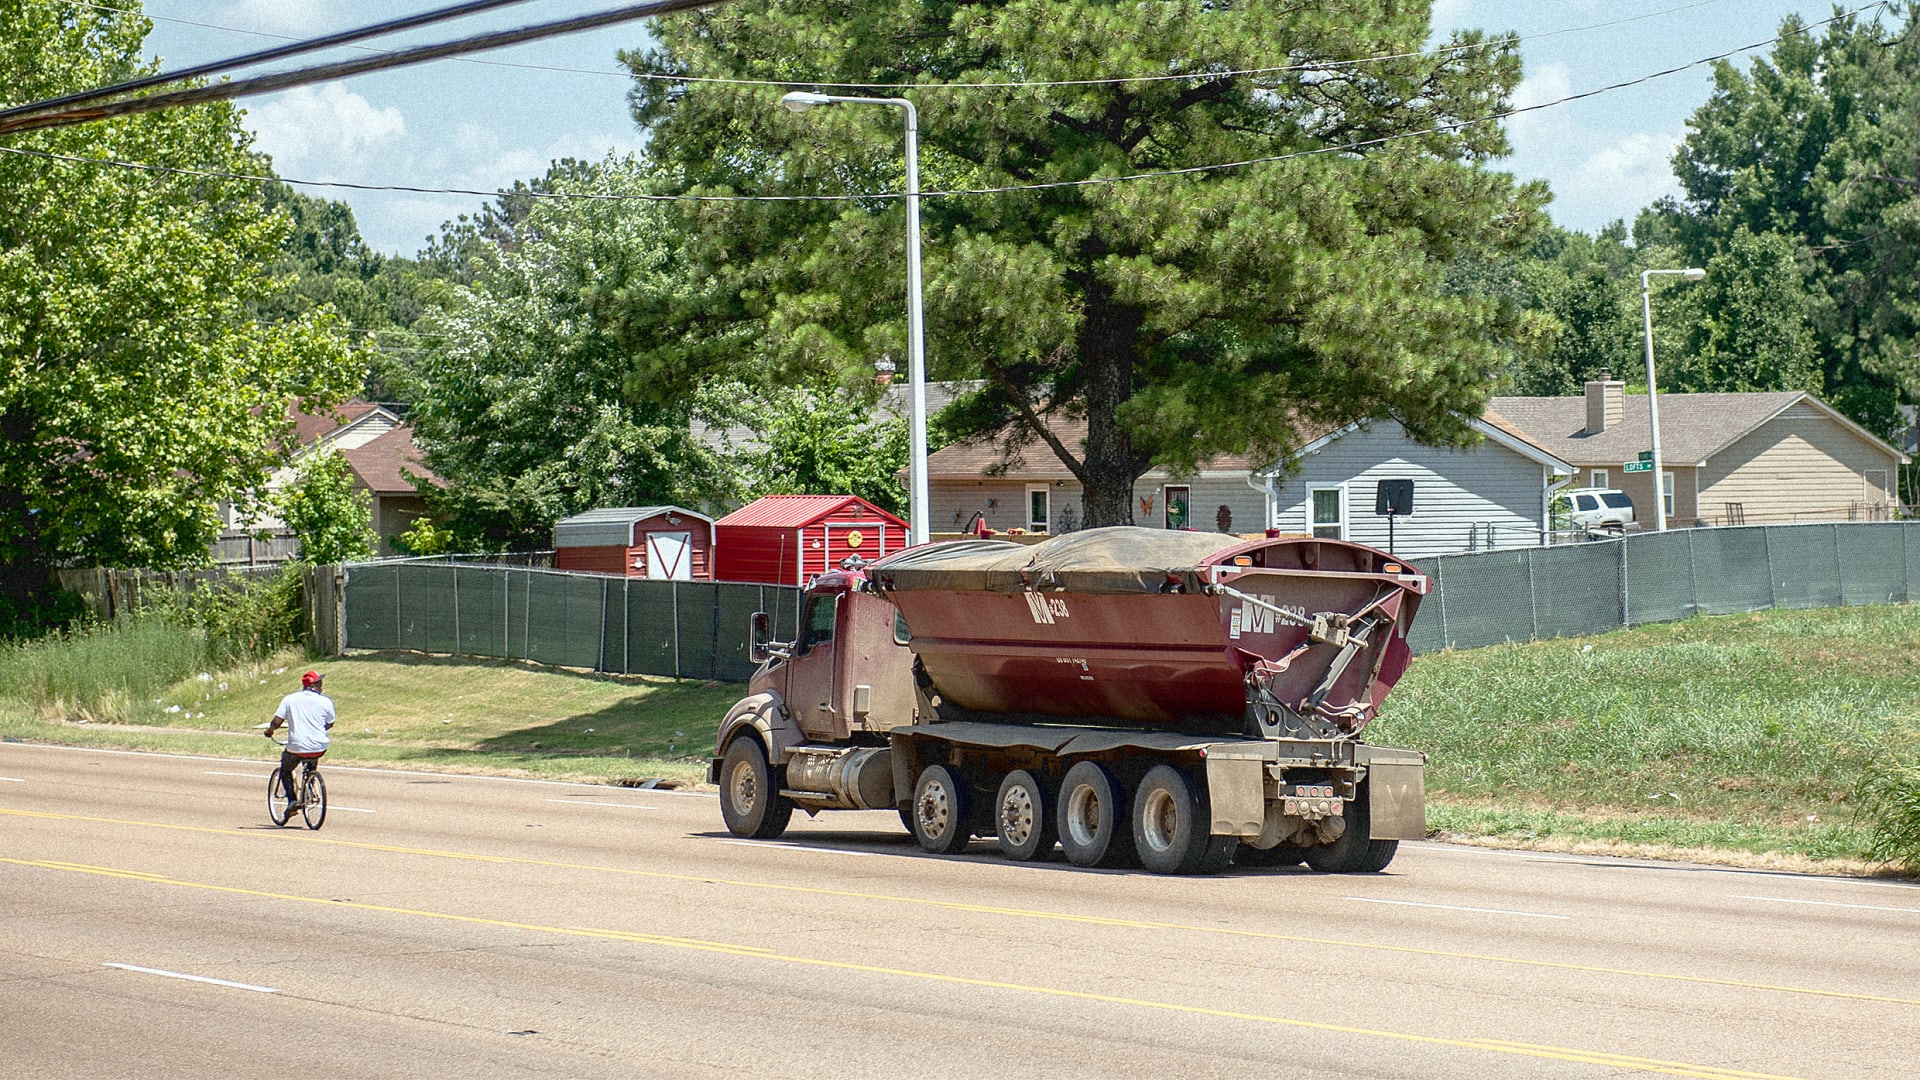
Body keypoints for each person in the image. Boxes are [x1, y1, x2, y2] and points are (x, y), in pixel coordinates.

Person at [265, 670, 334, 810]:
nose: (322, 686)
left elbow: (277, 721)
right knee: (311, 758)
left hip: (297, 746)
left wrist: (270, 731)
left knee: (286, 769)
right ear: (313, 685)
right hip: (320, 746)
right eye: (319, 683)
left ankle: (292, 801)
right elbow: (330, 722)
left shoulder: (290, 699)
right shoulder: (326, 701)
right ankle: (309, 785)